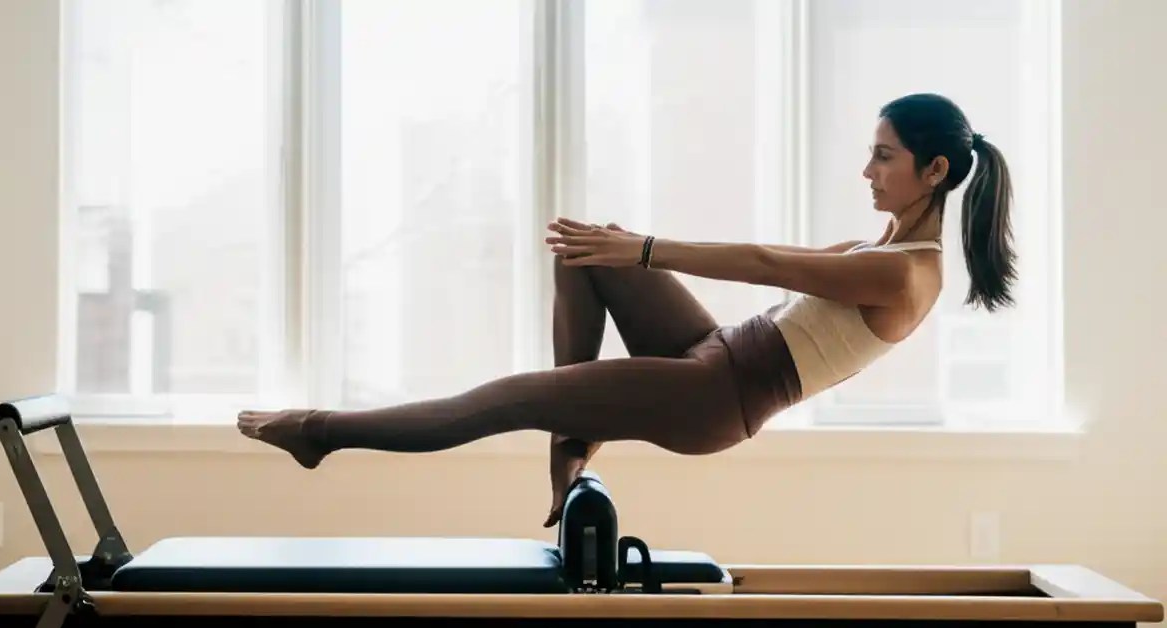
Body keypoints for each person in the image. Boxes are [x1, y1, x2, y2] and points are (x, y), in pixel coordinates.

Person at [237, 92, 1016, 527]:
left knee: (498, 402)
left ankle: (319, 432)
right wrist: (625, 249)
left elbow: (764, 263)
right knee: (586, 248)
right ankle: (569, 449)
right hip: (714, 349)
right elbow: (773, 283)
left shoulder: (908, 275)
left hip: (721, 396)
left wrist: (647, 248)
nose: (868, 170)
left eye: (884, 155)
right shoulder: (873, 248)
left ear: (934, 170)